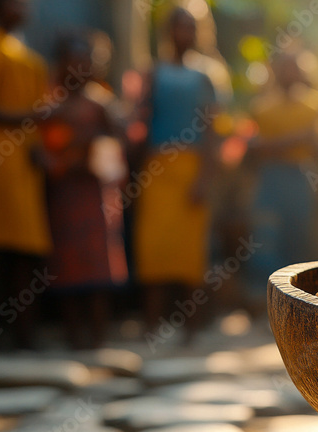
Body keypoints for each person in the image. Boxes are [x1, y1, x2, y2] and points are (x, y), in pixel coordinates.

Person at [133, 7, 217, 344]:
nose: (184, 32)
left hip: (191, 168)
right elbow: (143, 120)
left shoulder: (206, 77)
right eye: (179, 26)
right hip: (157, 168)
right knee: (153, 249)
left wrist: (205, 178)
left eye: (190, 26)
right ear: (168, 31)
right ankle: (152, 329)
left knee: (189, 254)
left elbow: (212, 132)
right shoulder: (154, 73)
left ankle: (191, 332)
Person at [0, 0, 52, 349]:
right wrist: (26, 120)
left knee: (26, 250)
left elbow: (38, 113)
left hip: (22, 163)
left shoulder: (28, 56)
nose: (22, 7)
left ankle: (26, 336)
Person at [41, 34, 128, 349]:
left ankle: (98, 338)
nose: (78, 67)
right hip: (63, 195)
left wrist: (89, 160)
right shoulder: (51, 104)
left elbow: (117, 148)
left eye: (84, 60)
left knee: (97, 264)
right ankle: (73, 336)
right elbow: (43, 149)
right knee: (66, 264)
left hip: (95, 196)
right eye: (72, 60)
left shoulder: (101, 104)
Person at [246, 50, 318, 307]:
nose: (288, 73)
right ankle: (266, 304)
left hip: (301, 178)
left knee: (299, 239)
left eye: (293, 67)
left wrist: (275, 145)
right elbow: (252, 146)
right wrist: (296, 140)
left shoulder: (316, 105)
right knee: (267, 239)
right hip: (271, 178)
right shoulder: (261, 107)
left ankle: (296, 304)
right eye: (283, 67)